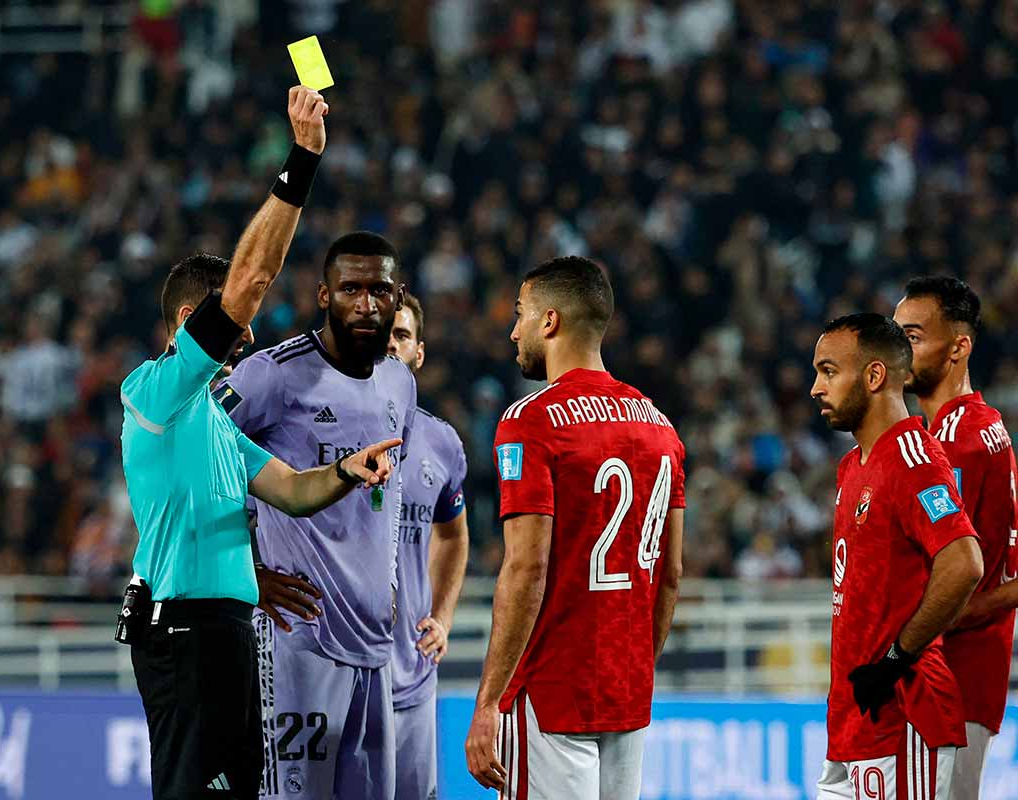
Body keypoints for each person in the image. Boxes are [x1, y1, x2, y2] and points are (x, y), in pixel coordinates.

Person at [120, 89, 402, 800]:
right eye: (232, 324)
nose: (248, 337)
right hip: (183, 634)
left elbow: (293, 490)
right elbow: (251, 279)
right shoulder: (155, 394)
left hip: (225, 632)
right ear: (190, 321)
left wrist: (346, 468)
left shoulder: (211, 421)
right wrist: (301, 163)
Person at [464, 256, 687, 800]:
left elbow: (526, 565)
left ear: (550, 321)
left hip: (549, 689)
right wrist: (634, 668)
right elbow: (672, 574)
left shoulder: (530, 421)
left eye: (520, 314)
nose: (513, 330)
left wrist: (490, 700)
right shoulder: (662, 427)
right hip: (626, 692)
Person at [216, 231, 417, 800]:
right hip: (299, 638)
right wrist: (242, 574)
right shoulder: (271, 375)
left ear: (398, 297)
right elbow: (192, 465)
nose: (366, 303)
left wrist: (390, 579)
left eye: (379, 289)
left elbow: (386, 498)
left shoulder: (399, 382)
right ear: (323, 295)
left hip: (377, 645)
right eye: (350, 288)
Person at [810, 313, 984, 800]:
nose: (815, 388)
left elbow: (964, 561)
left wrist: (894, 658)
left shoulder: (913, 459)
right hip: (853, 724)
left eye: (827, 371)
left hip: (904, 718)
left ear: (873, 376)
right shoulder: (852, 466)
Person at [894, 277, 1018, 799]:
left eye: (915, 337)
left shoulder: (950, 443)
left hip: (948, 679)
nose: (901, 350)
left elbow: (944, 567)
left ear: (959, 347)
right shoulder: (985, 427)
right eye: (896, 335)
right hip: (969, 678)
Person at [386, 294, 470, 800]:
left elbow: (454, 535)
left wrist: (443, 616)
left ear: (419, 352)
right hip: (335, 667)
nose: (392, 344)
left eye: (403, 335)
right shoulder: (320, 428)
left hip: (412, 673)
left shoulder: (442, 444)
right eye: (385, 335)